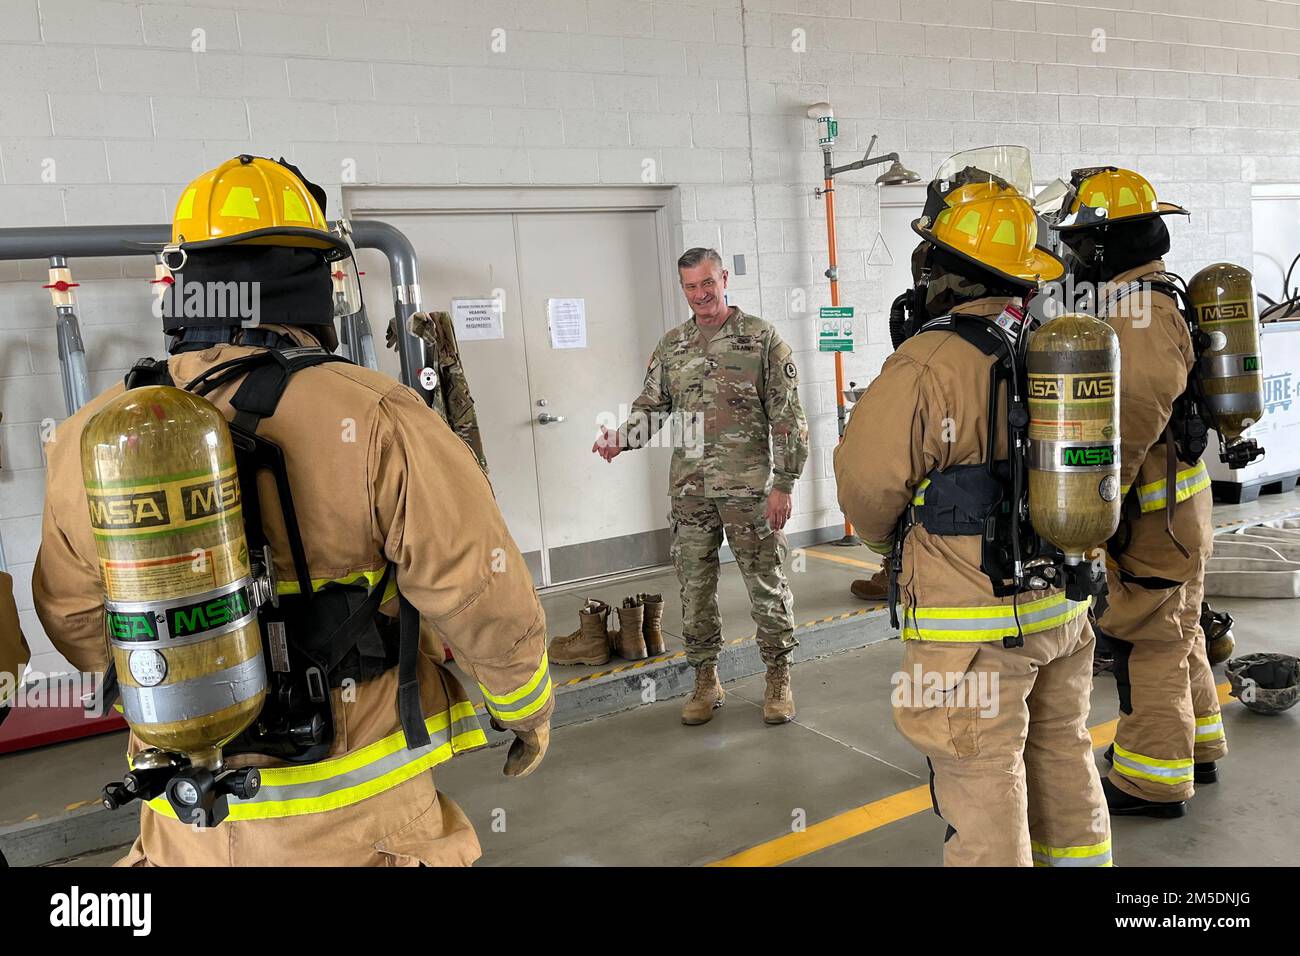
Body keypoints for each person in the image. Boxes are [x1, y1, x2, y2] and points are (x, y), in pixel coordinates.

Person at [33, 155, 552, 866]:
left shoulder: (90, 437)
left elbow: (74, 619)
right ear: (309, 277)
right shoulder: (376, 413)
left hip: (190, 824)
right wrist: (527, 710)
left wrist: (189, 681)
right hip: (362, 821)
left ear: (186, 284)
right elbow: (477, 586)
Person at [835, 159, 1111, 866]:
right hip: (1064, 608)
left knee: (981, 770)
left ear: (945, 264)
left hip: (974, 630)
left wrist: (882, 544)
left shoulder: (929, 361)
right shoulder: (1052, 345)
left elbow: (867, 488)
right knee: (1059, 749)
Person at [1053, 166, 1225, 818]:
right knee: (1179, 631)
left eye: (1077, 243)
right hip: (1175, 510)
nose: (1069, 255)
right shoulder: (1143, 299)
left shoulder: (1141, 312)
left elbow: (1125, 422)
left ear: (1102, 246)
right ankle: (1198, 746)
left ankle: (1151, 781)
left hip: (1155, 516)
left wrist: (1092, 510)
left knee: (1150, 641)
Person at [592, 247, 809, 725]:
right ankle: (706, 680)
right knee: (694, 588)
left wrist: (785, 483)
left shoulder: (760, 339)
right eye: (690, 287)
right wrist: (620, 438)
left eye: (707, 283)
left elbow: (788, 417)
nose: (700, 294)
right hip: (690, 492)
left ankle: (778, 677)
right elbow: (651, 407)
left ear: (723, 278)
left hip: (749, 489)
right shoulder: (673, 345)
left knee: (765, 585)